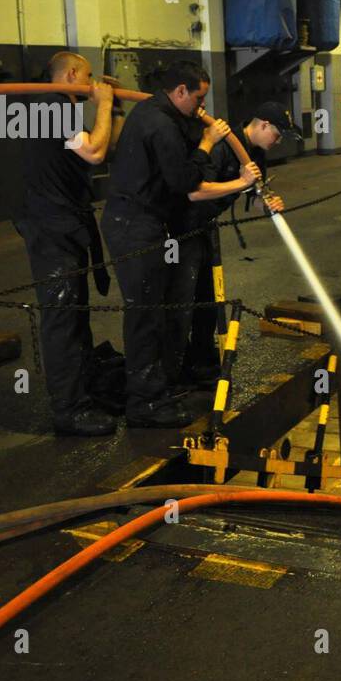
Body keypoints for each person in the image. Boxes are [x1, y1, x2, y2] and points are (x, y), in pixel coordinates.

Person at [100, 59, 259, 428]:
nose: (202, 108)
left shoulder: (160, 114)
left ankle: (156, 389)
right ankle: (144, 404)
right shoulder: (158, 124)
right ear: (180, 91)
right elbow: (186, 182)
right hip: (135, 226)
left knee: (155, 311)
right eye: (198, 98)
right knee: (144, 314)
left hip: (144, 222)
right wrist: (210, 146)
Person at [15, 51, 116, 436]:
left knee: (75, 314)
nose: (92, 83)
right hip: (50, 229)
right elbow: (95, 152)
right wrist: (103, 104)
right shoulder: (48, 106)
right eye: (88, 76)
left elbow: (103, 143)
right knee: (61, 318)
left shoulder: (55, 109)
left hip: (63, 224)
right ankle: (69, 410)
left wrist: (113, 109)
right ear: (72, 73)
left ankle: (84, 391)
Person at [165, 102, 293, 389]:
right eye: (277, 134)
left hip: (205, 226)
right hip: (180, 228)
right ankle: (170, 374)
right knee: (181, 300)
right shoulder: (224, 145)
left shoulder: (256, 155)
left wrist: (269, 201)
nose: (278, 141)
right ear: (261, 125)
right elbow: (195, 192)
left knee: (207, 299)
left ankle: (200, 362)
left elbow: (256, 191)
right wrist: (240, 182)